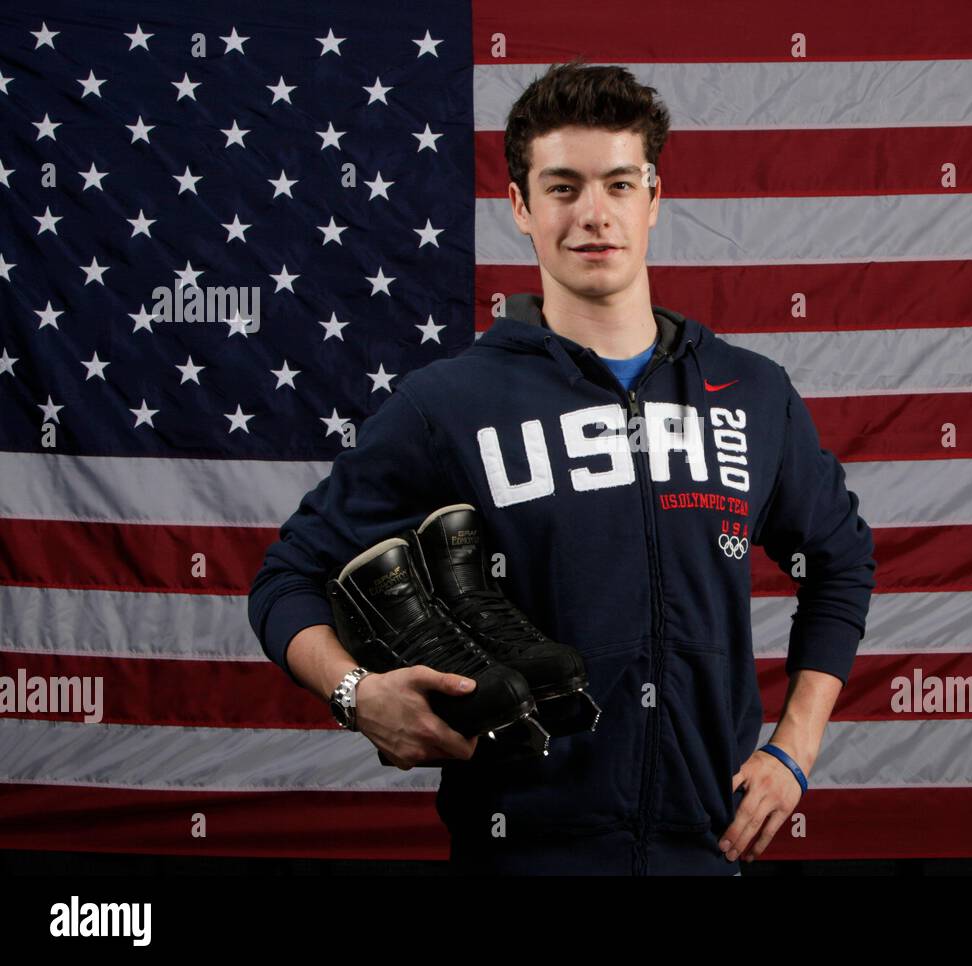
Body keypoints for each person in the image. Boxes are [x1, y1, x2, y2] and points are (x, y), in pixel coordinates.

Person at [246, 59, 876, 875]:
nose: (593, 215)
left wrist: (795, 748)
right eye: (563, 187)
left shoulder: (752, 393)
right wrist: (355, 695)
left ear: (654, 198)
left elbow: (840, 560)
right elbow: (287, 577)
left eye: (619, 185)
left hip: (705, 846)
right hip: (521, 852)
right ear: (521, 206)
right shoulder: (452, 402)